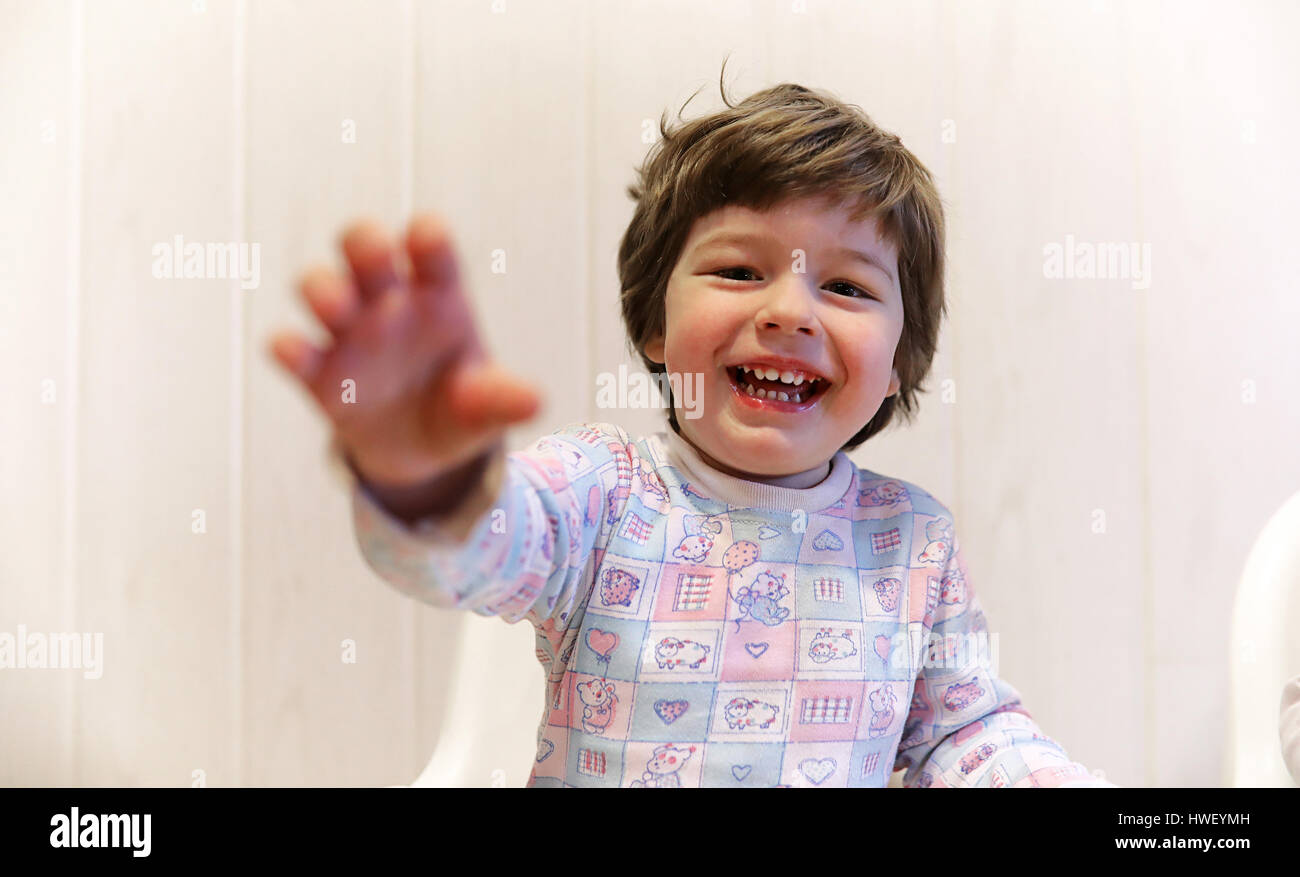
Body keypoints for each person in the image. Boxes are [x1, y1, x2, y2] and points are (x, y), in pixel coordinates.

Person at [270, 73, 1116, 789]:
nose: (789, 311)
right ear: (656, 326)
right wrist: (432, 476)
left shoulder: (912, 539)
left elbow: (964, 732)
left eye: (850, 288)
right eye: (739, 270)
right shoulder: (602, 490)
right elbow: (477, 547)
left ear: (897, 363)